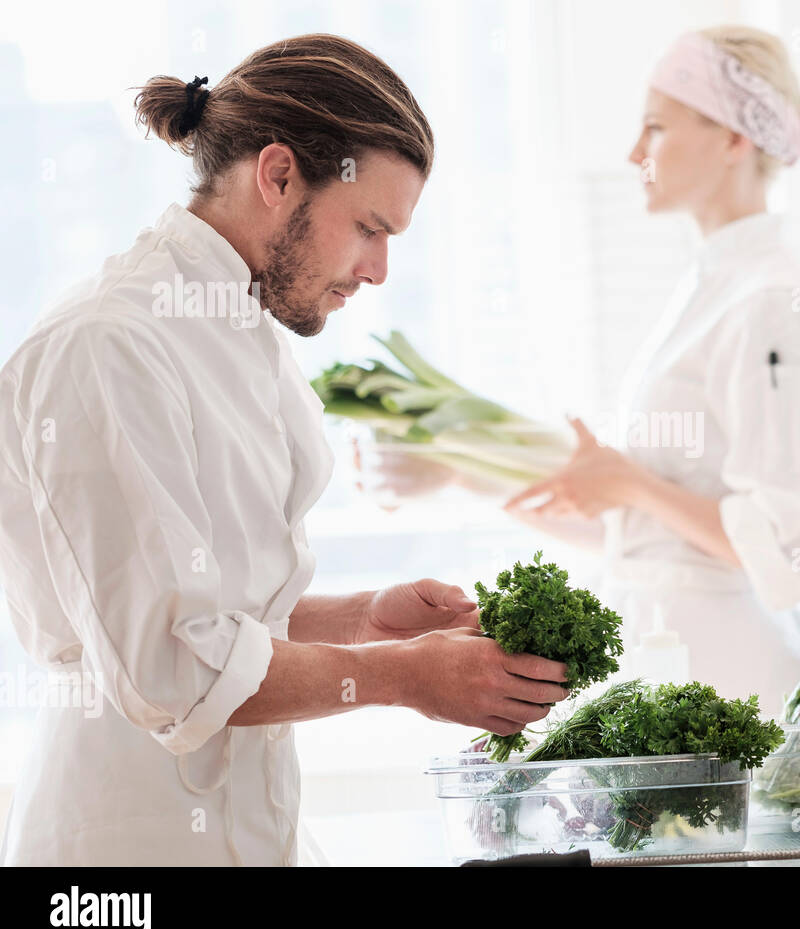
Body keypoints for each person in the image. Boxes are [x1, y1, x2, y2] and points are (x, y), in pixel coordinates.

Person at [0, 34, 570, 866]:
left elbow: (213, 612)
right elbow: (171, 668)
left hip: (250, 823)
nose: (377, 270)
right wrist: (407, 677)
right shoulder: (109, 345)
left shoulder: (243, 325)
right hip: (130, 846)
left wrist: (366, 620)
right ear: (276, 175)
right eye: (369, 228)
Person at [504, 26, 800, 715]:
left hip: (725, 676)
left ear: (733, 140)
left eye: (656, 128)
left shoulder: (774, 303)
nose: (635, 153)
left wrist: (628, 480)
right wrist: (465, 474)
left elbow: (783, 548)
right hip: (667, 658)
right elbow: (653, 542)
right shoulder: (711, 286)